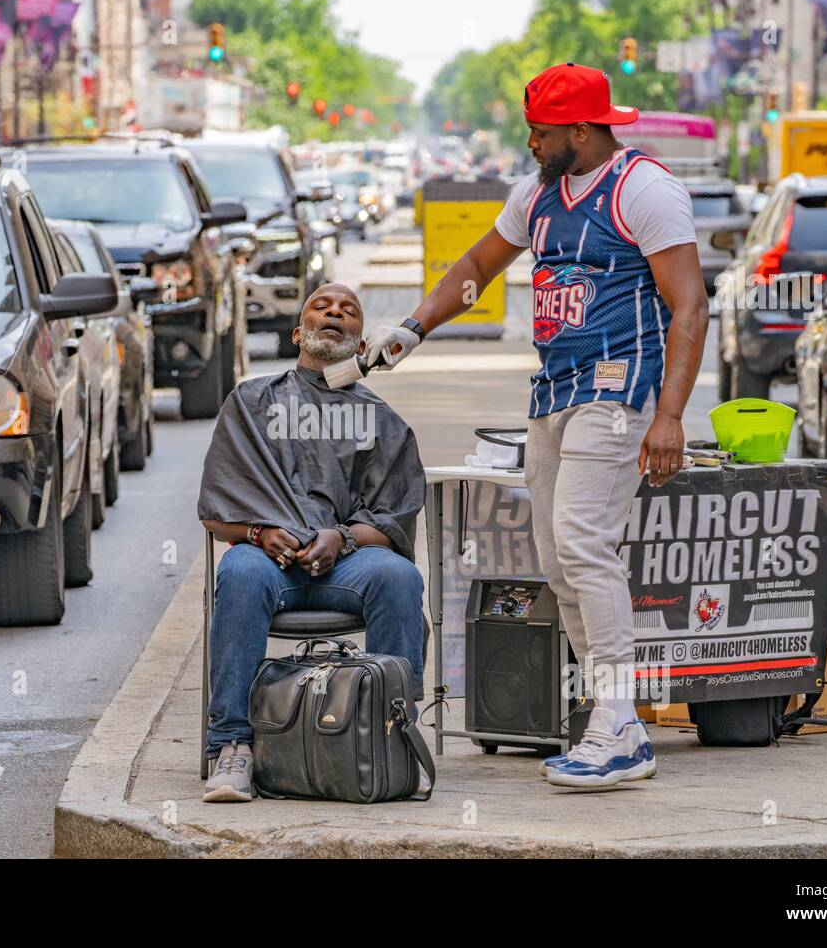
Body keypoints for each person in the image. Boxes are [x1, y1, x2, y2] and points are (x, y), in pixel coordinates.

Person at [366, 63, 708, 789]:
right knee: (557, 560)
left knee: (584, 541)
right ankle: (618, 722)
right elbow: (478, 268)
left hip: (620, 390)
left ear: (581, 131)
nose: (529, 143)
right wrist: (414, 327)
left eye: (541, 132)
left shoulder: (644, 190)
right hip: (555, 392)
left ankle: (616, 721)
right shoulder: (540, 194)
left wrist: (671, 414)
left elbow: (690, 306)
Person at [197, 283, 427, 802]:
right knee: (238, 569)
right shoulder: (252, 401)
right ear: (298, 332)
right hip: (268, 566)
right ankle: (231, 746)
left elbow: (394, 520)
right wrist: (259, 533)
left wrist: (342, 538)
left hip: (347, 572)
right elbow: (216, 514)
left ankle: (393, 737)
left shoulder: (380, 419)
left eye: (348, 311)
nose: (335, 313)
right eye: (321, 307)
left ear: (358, 340)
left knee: (400, 576)